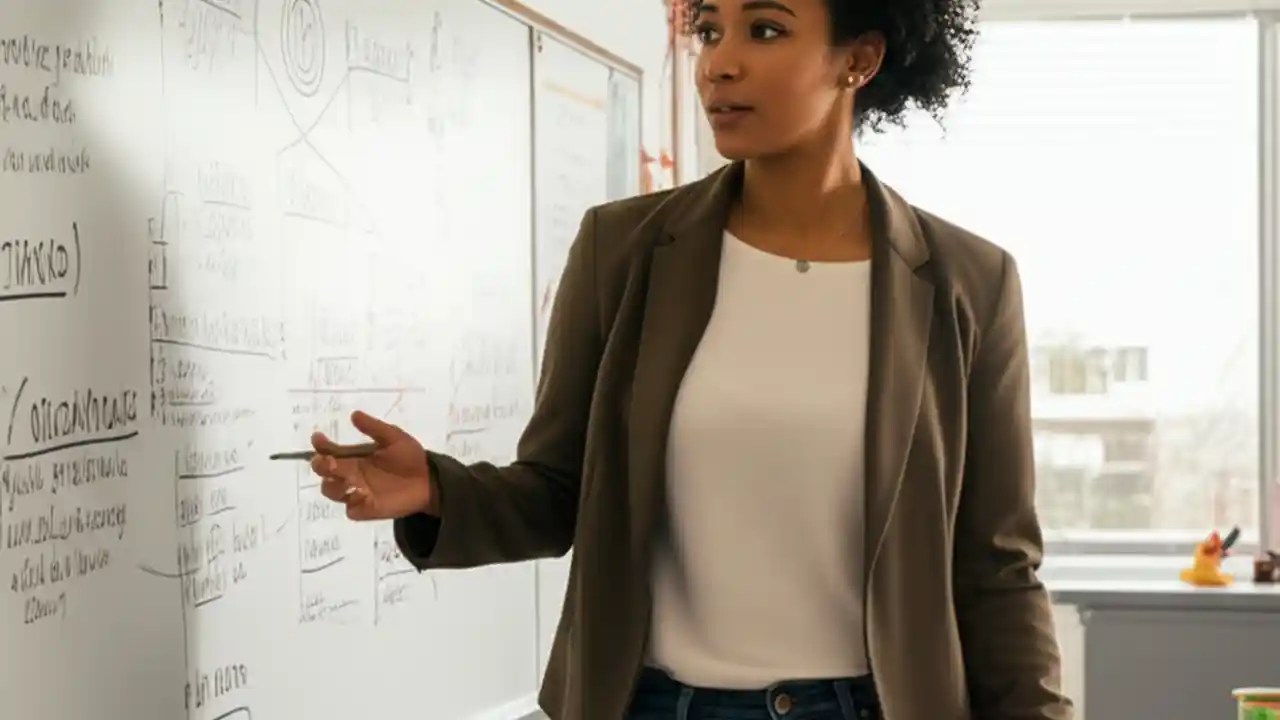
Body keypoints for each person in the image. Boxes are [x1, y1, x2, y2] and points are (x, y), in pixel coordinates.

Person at [308, 0, 1075, 717]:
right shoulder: (623, 250)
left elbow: (997, 567)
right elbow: (558, 492)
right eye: (709, 31)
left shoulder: (967, 283)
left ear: (859, 59)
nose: (719, 63)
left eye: (765, 30)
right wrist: (436, 491)